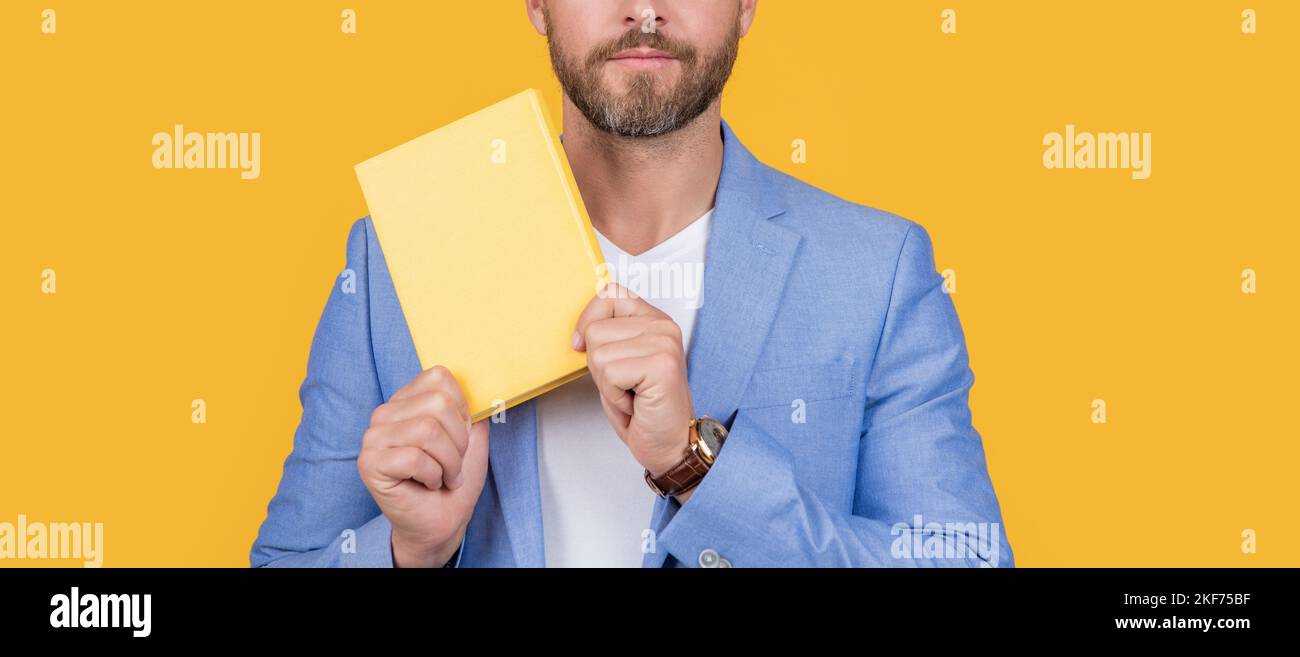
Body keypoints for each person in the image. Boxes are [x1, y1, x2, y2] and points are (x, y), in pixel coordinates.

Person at [251, 0, 1013, 568]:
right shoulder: (392, 262)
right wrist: (409, 550)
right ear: (537, 5)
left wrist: (698, 466)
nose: (644, 10)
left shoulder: (874, 272)